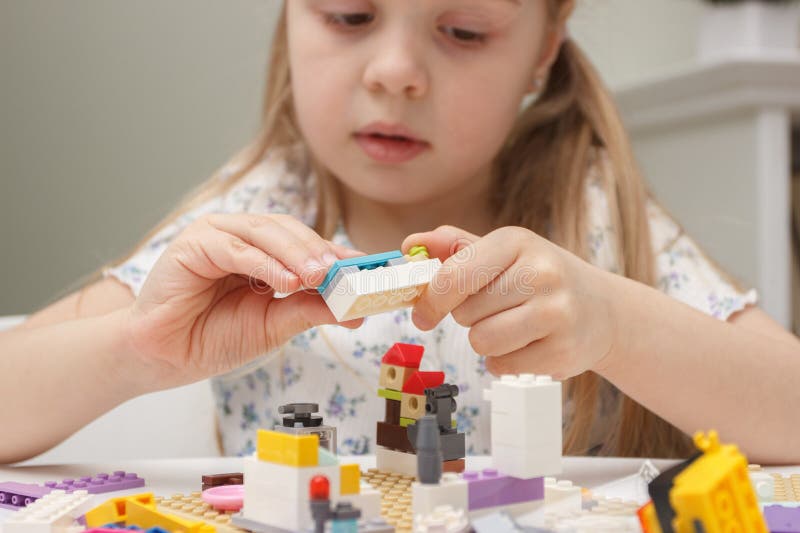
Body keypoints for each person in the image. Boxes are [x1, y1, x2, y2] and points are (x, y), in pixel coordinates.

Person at [2, 0, 798, 465]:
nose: (395, 72)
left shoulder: (584, 212)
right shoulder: (256, 212)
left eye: (463, 32)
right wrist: (139, 347)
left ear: (543, 49)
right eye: (350, 13)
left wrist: (615, 322)